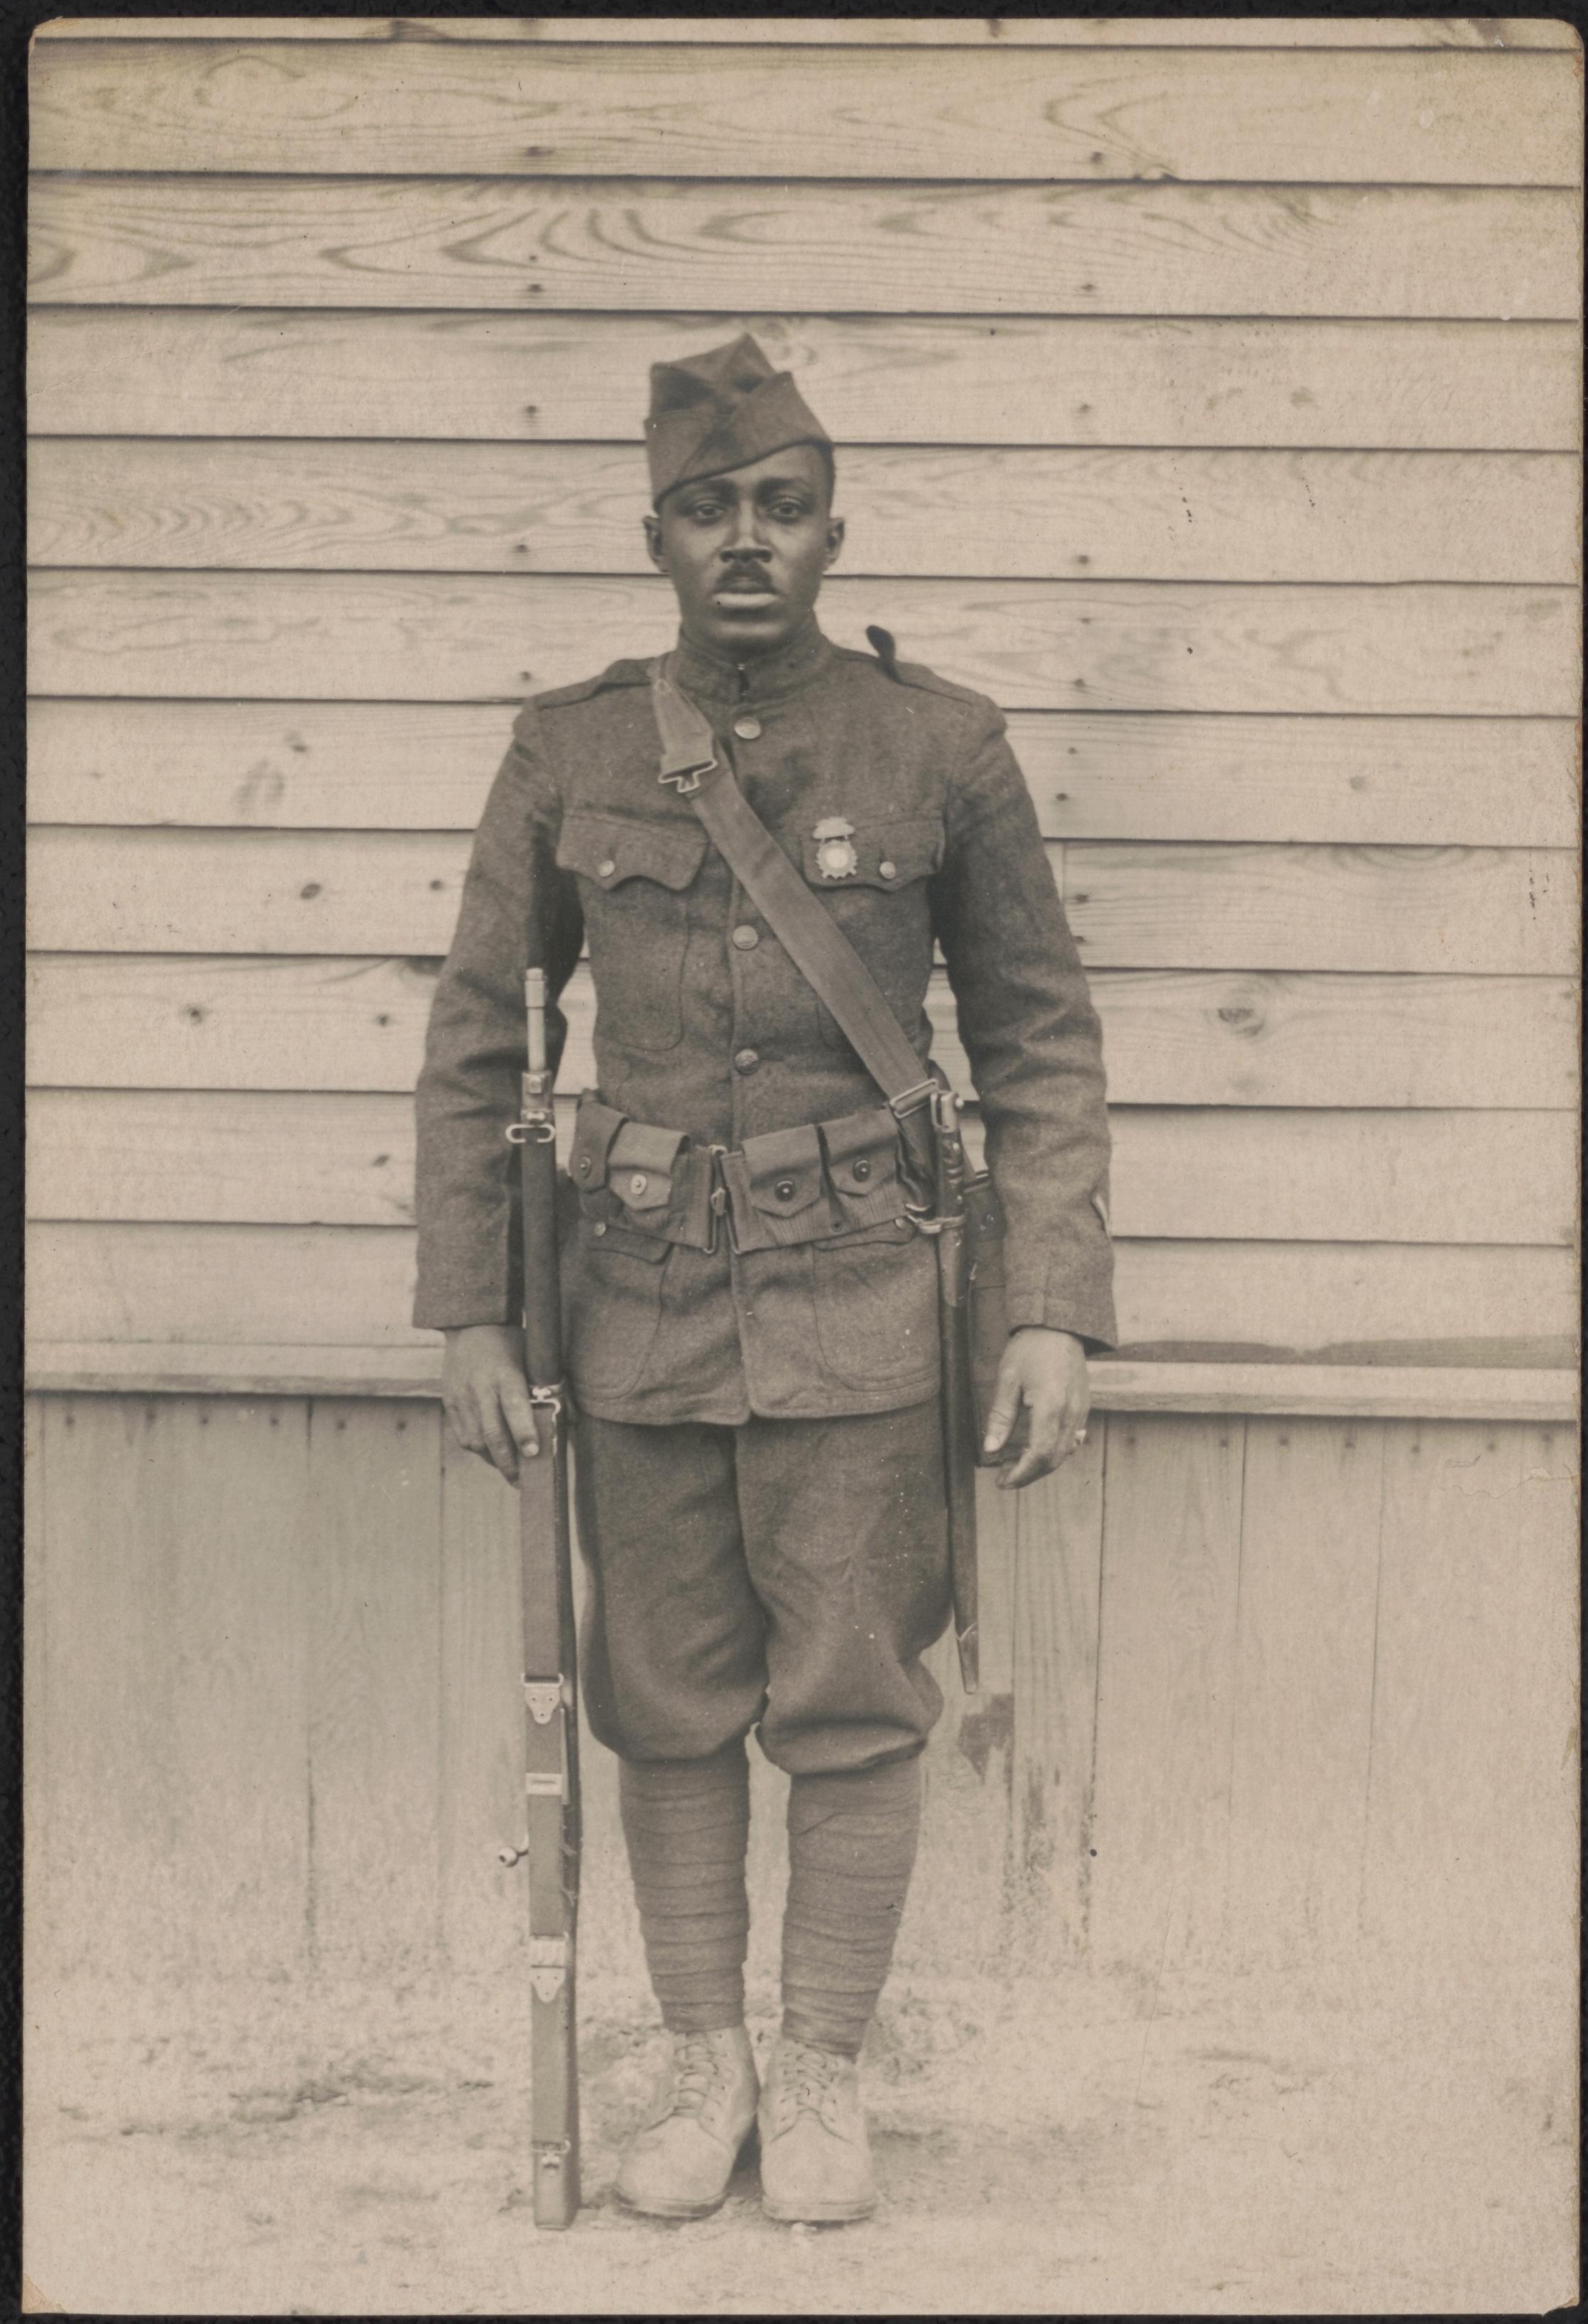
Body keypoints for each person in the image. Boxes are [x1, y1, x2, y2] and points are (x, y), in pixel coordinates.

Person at [413, 334, 1116, 2225]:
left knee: (854, 1694)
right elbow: (482, 1032)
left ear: (830, 530)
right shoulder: (565, 749)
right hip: (631, 1305)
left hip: (863, 1306)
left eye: (782, 510)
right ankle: (699, 2057)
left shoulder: (937, 748)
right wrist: (472, 1306)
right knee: (662, 1695)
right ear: (656, 534)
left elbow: (1040, 1035)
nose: (748, 542)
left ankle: (817, 2067)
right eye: (710, 510)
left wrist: (1046, 1296)